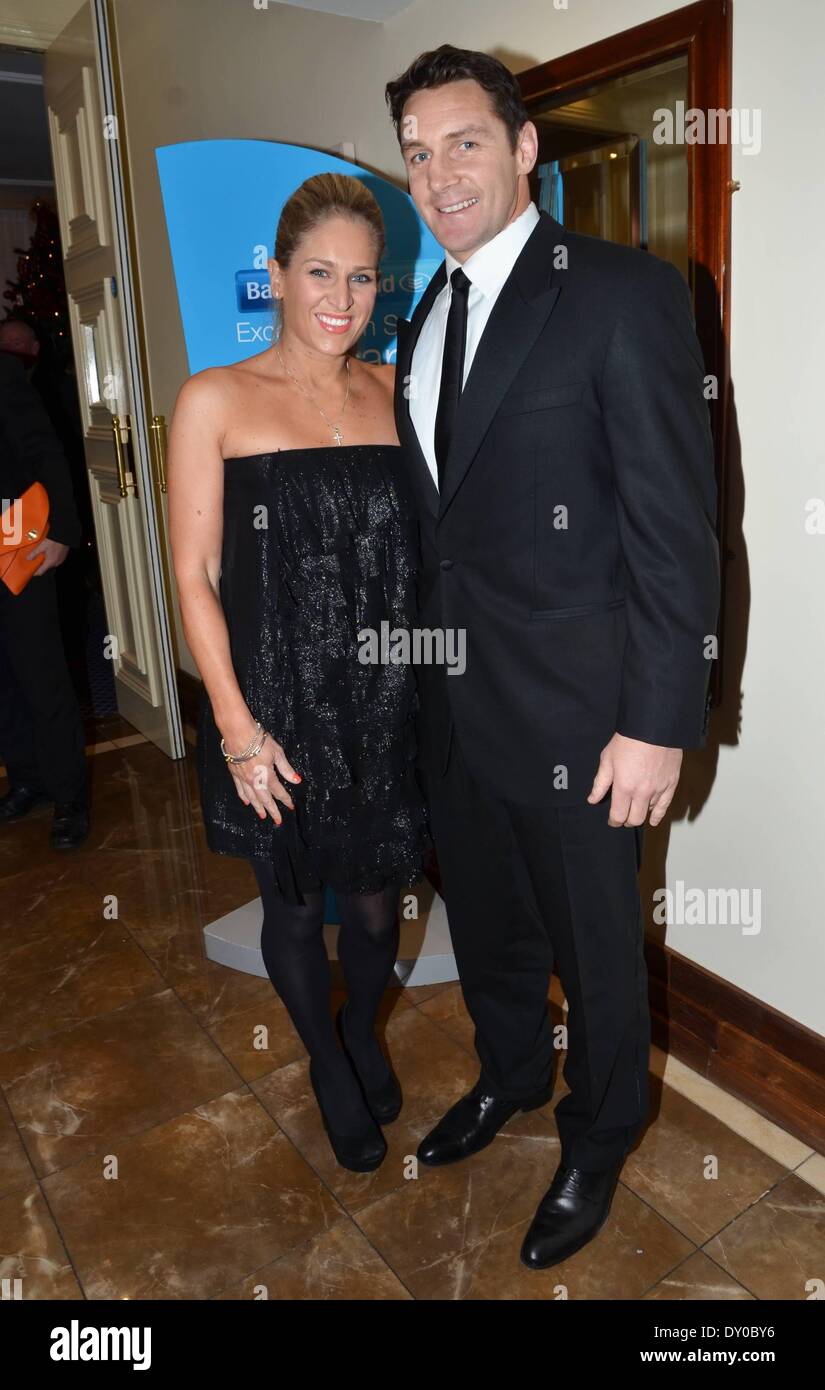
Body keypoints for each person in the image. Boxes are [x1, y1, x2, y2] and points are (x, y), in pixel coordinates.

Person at [385, 45, 720, 1268]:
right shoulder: (425, 310)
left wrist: (660, 718)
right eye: (416, 154)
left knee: (596, 947)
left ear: (525, 146)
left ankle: (597, 1134)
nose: (437, 173)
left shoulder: (623, 292)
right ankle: (513, 1074)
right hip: (459, 710)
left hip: (588, 716)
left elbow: (679, 530)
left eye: (462, 141)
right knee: (491, 924)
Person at [167, 173, 429, 1174]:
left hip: (385, 699)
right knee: (290, 905)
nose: (342, 298)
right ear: (274, 276)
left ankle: (360, 1026)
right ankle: (325, 1058)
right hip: (274, 704)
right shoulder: (216, 399)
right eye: (320, 271)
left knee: (372, 903)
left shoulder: (392, 390)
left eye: (362, 277)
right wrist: (237, 728)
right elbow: (193, 575)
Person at [0, 341, 89, 849]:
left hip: (16, 544)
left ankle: (69, 797)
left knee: (41, 676)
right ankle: (28, 779)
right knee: (3, 682)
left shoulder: (3, 373)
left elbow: (45, 451)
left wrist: (61, 531)